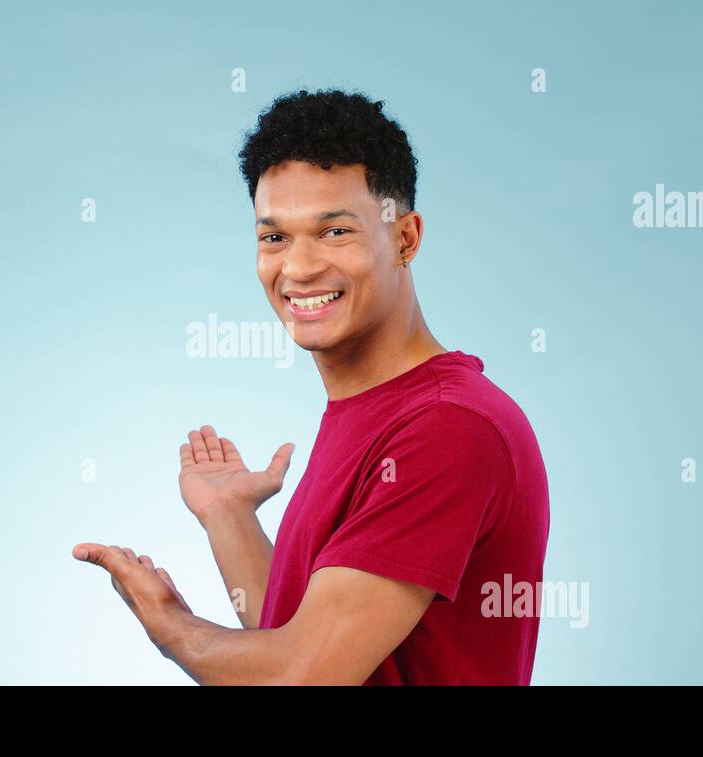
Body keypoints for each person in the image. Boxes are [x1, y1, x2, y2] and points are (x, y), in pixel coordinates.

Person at [72, 88, 550, 684]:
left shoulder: (450, 427)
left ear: (405, 238)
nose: (297, 269)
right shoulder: (377, 410)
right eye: (275, 238)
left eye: (334, 233)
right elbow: (308, 633)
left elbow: (302, 675)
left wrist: (169, 625)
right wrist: (230, 518)